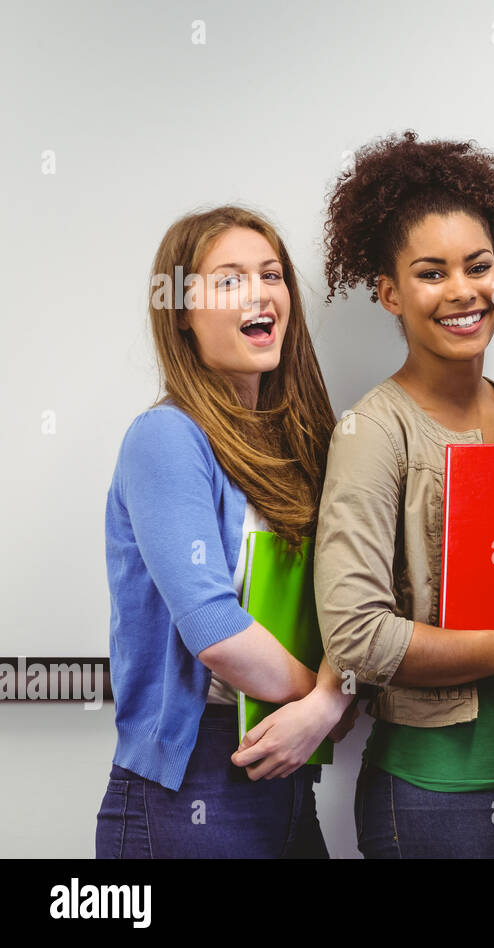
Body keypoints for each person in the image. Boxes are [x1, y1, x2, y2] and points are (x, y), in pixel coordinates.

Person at [315, 133, 494, 859]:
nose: (463, 290)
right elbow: (356, 637)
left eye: (479, 266)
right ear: (389, 294)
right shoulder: (373, 433)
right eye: (431, 273)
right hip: (435, 794)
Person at [97, 206, 356, 858]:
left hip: (287, 769)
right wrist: (324, 701)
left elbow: (350, 604)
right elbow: (212, 628)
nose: (260, 292)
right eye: (230, 279)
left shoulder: (301, 447)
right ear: (181, 309)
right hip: (189, 782)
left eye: (271, 275)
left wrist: (323, 708)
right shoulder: (166, 438)